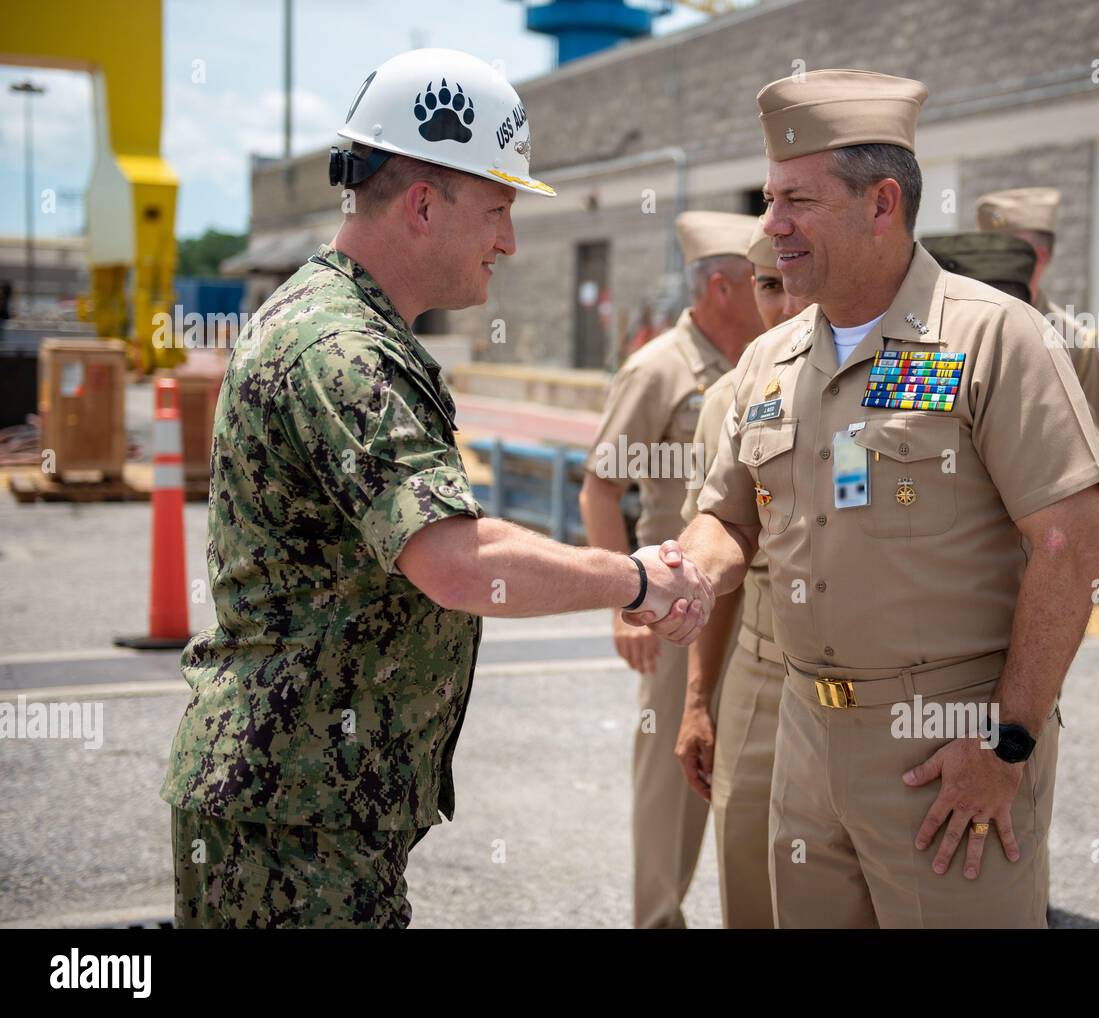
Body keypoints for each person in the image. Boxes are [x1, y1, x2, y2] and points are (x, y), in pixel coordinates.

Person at [160, 49, 713, 930]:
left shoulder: (339, 325)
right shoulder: (343, 350)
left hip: (308, 802)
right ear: (423, 204)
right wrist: (639, 580)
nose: (509, 240)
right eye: (497, 208)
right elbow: (457, 564)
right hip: (295, 816)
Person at [656, 68, 1099, 928]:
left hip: (949, 750)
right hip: (804, 740)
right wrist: (683, 572)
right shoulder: (771, 358)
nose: (772, 225)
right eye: (769, 198)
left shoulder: (993, 337)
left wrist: (1008, 740)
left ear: (882, 202)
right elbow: (727, 517)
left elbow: (1071, 544)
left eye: (799, 200)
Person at [579, 209, 764, 928]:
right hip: (676, 601)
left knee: (743, 762)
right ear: (721, 286)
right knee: (669, 773)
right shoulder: (658, 368)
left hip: (754, 594)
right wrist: (625, 607)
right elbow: (600, 487)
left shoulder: (762, 362)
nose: (778, 290)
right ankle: (658, 918)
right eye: (761, 280)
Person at [675, 220, 808, 928]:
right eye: (767, 286)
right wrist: (699, 700)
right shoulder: (731, 397)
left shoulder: (894, 373)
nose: (784, 305)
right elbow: (724, 546)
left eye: (793, 281)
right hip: (759, 673)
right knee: (749, 886)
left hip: (870, 681)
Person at [976, 187, 1099, 551]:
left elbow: (1092, 463)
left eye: (1003, 252)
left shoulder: (1074, 341)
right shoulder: (957, 327)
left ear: (1038, 258)